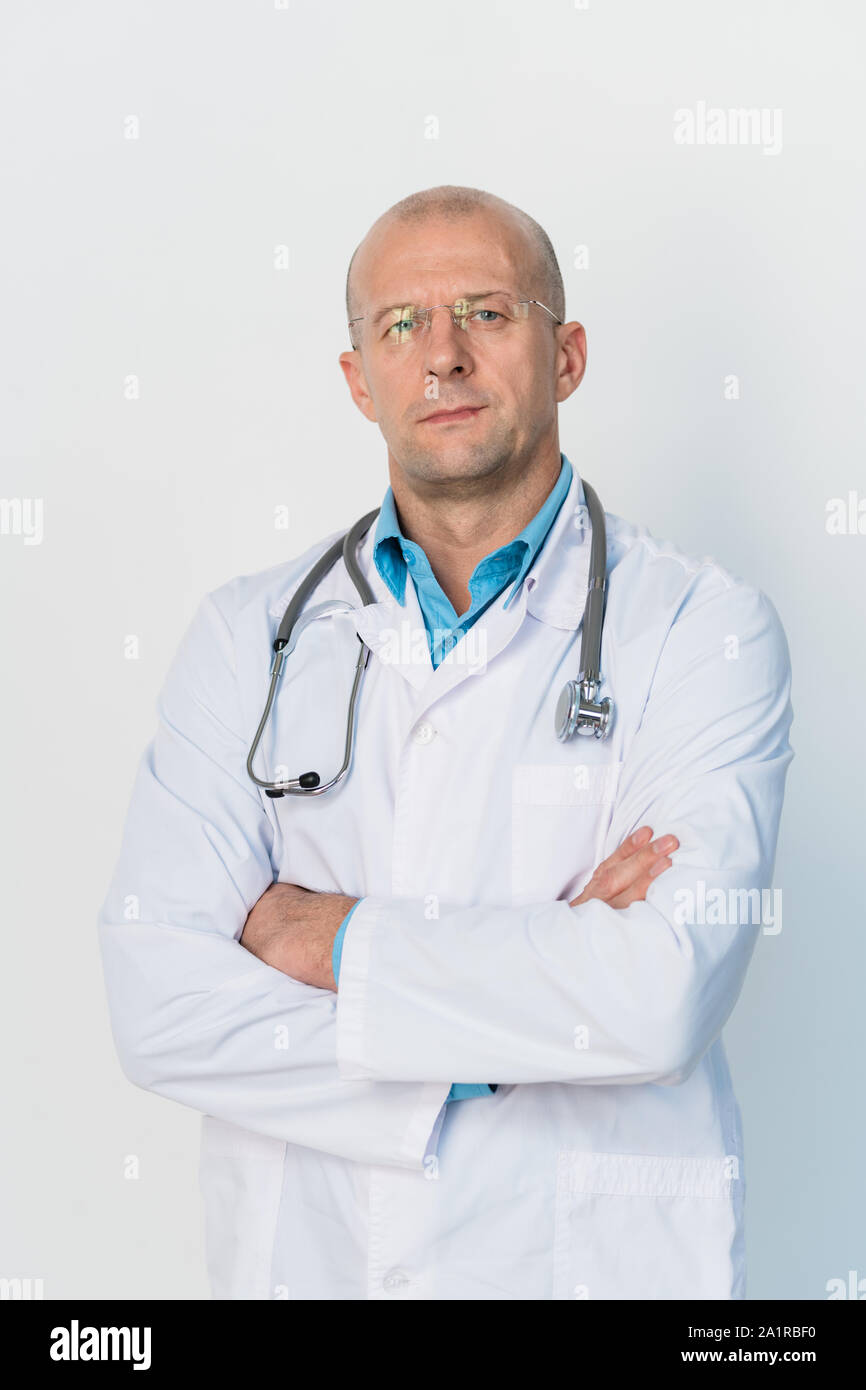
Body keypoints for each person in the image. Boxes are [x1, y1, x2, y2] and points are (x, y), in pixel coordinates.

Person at [97, 184, 794, 1300]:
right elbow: (161, 1006)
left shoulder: (699, 630)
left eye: (485, 311)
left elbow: (659, 994)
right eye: (401, 324)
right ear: (356, 377)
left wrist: (333, 945)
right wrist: (534, 988)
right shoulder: (246, 639)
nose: (443, 356)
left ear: (564, 355)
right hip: (312, 1268)